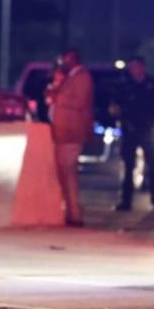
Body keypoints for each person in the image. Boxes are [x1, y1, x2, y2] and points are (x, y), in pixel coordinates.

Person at [111, 56, 154, 212]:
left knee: (153, 166)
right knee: (128, 166)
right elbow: (114, 106)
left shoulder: (153, 85)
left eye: (136, 66)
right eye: (131, 67)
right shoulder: (124, 86)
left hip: (148, 129)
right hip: (129, 130)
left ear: (143, 67)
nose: (133, 70)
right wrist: (117, 114)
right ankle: (125, 201)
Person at [46, 48, 94, 227]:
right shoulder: (69, 77)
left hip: (72, 132)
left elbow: (80, 101)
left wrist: (57, 97)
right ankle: (69, 211)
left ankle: (75, 213)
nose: (62, 63)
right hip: (62, 131)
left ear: (72, 59)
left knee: (69, 172)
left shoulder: (82, 77)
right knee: (63, 173)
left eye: (64, 60)